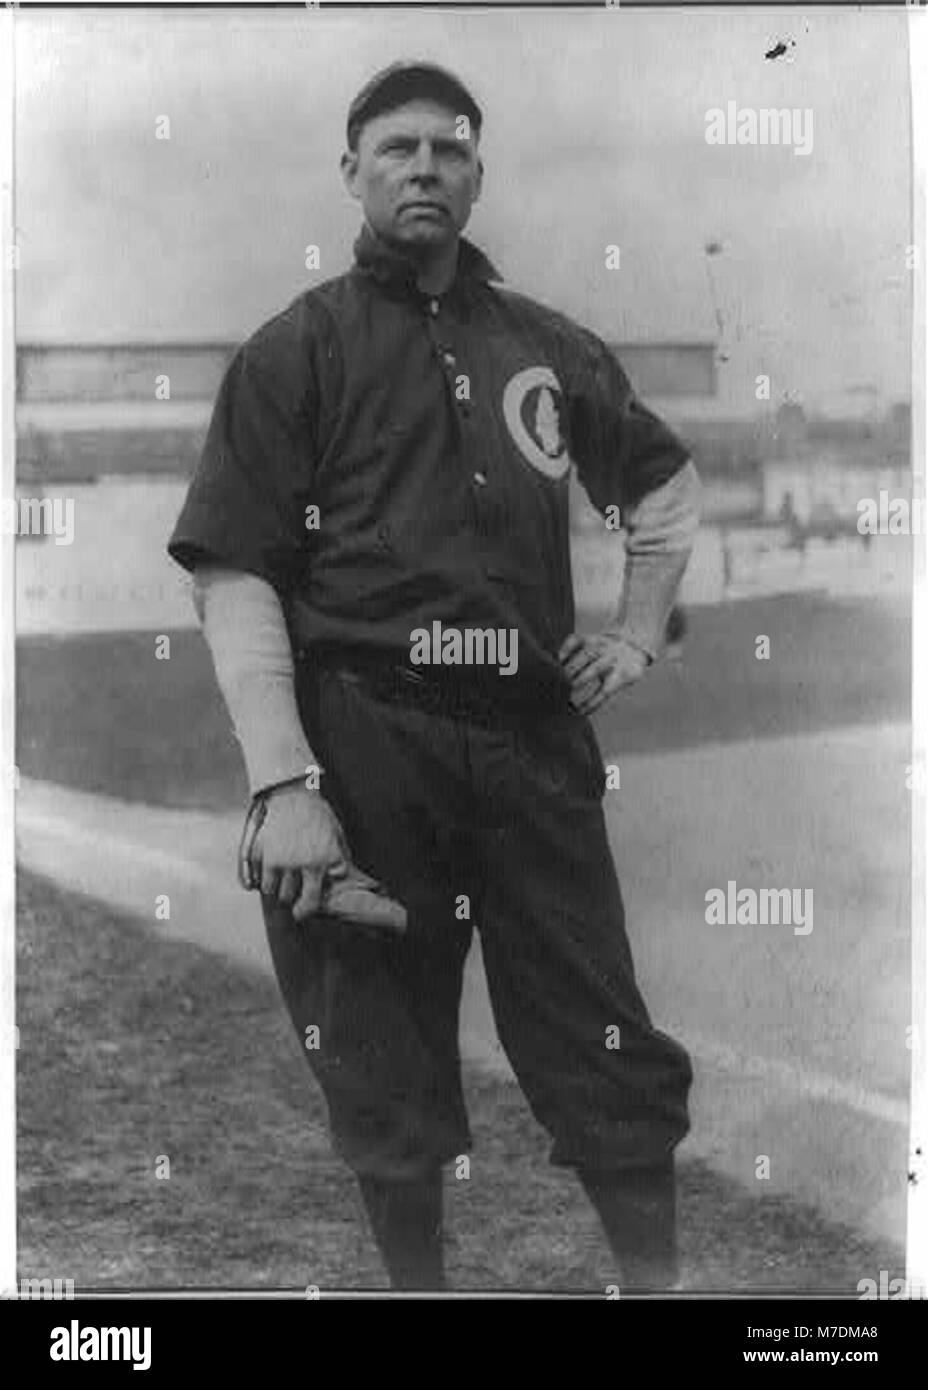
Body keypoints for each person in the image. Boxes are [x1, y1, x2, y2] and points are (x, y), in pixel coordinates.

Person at [168, 60, 700, 1293]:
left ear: (477, 175)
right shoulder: (295, 349)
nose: (424, 168)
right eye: (396, 148)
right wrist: (283, 783)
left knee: (604, 1045)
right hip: (367, 746)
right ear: (350, 172)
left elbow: (662, 484)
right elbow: (235, 572)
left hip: (530, 745)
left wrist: (634, 632)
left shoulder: (547, 346)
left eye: (448, 149)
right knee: (382, 1067)